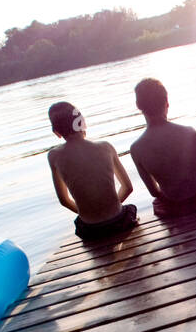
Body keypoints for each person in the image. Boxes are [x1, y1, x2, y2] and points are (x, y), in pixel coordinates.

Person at [128, 78, 196, 220]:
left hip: (175, 208)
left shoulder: (136, 148)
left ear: (138, 105)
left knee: (158, 203)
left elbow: (154, 192)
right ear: (167, 102)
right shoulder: (189, 132)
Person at [47, 101, 137, 241]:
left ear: (56, 132)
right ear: (82, 122)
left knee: (80, 222)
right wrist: (112, 207)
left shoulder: (54, 156)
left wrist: (86, 213)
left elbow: (64, 200)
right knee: (131, 209)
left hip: (91, 230)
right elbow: (128, 187)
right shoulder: (106, 147)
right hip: (119, 222)